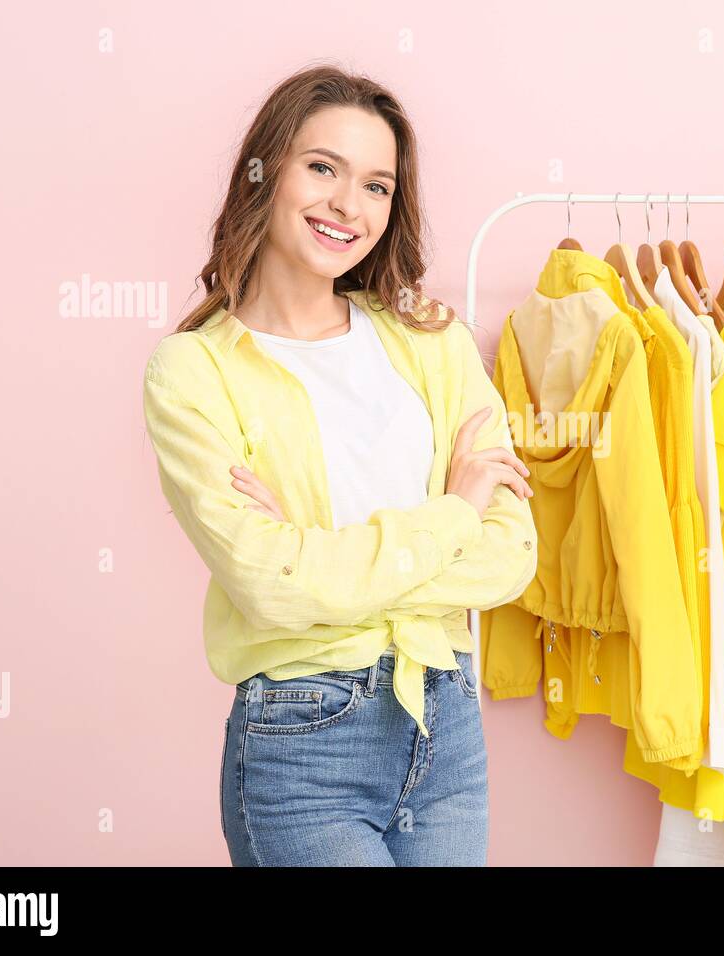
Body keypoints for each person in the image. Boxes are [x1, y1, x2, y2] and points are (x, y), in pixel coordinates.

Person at [141, 65, 536, 866]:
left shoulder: (434, 343)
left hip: (447, 726)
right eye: (322, 168)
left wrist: (320, 561)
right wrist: (453, 515)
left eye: (377, 186)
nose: (348, 207)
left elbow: (512, 554)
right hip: (304, 743)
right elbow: (269, 583)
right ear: (267, 170)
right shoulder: (193, 373)